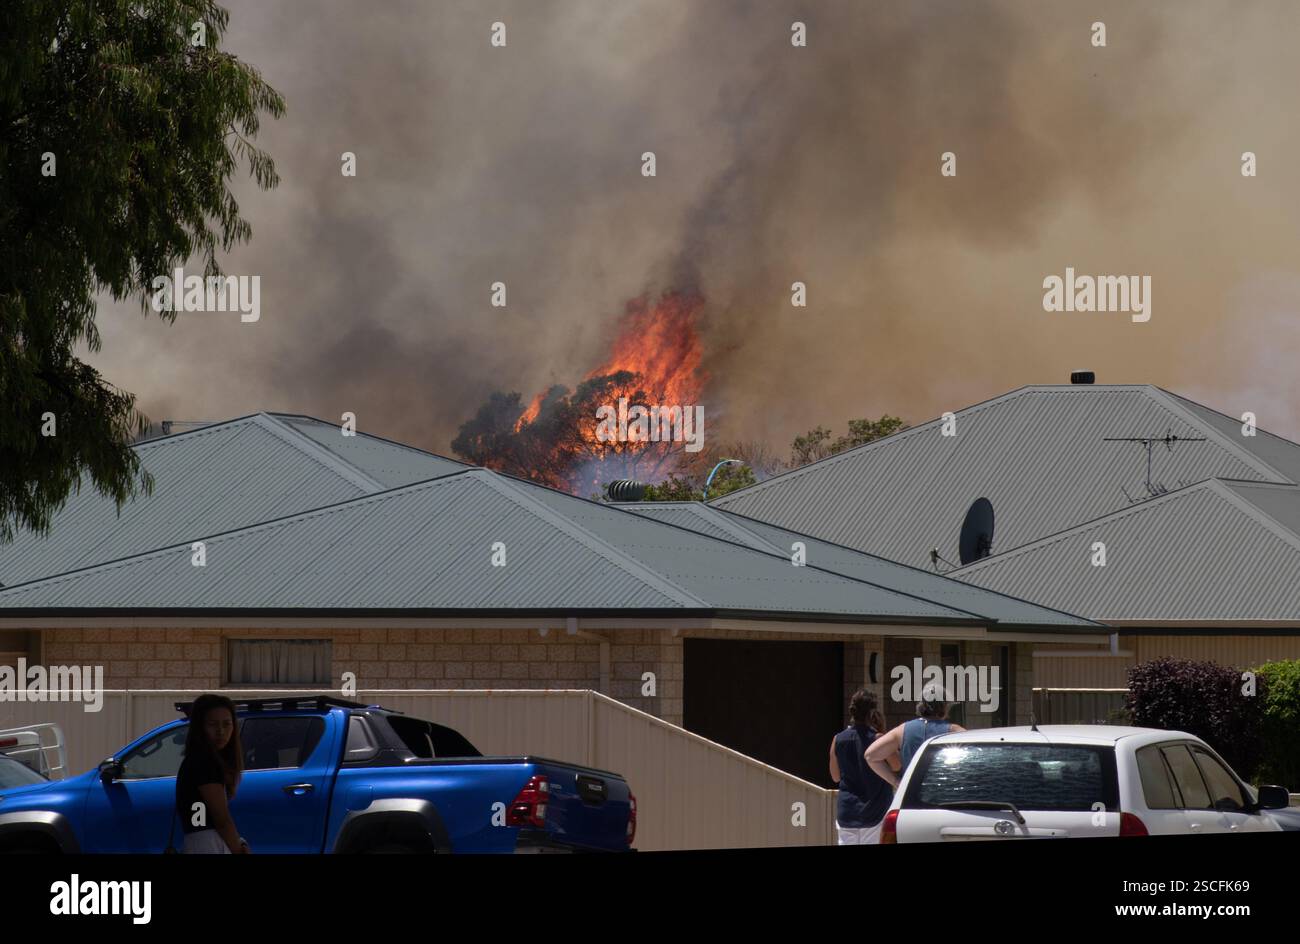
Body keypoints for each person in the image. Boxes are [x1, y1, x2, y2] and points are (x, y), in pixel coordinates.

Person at [174, 693, 250, 854]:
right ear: (200, 727)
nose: (221, 731)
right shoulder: (205, 762)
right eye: (213, 724)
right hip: (208, 844)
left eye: (227, 724)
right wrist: (238, 848)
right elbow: (220, 818)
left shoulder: (198, 760)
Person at [866, 684, 966, 790]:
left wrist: (896, 782)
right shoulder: (954, 731)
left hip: (911, 795)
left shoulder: (902, 730)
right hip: (943, 793)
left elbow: (870, 756)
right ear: (944, 707)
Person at [828, 690, 891, 845]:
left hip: (847, 812)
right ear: (872, 713)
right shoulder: (878, 739)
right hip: (875, 811)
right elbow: (897, 765)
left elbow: (835, 776)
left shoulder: (837, 739)